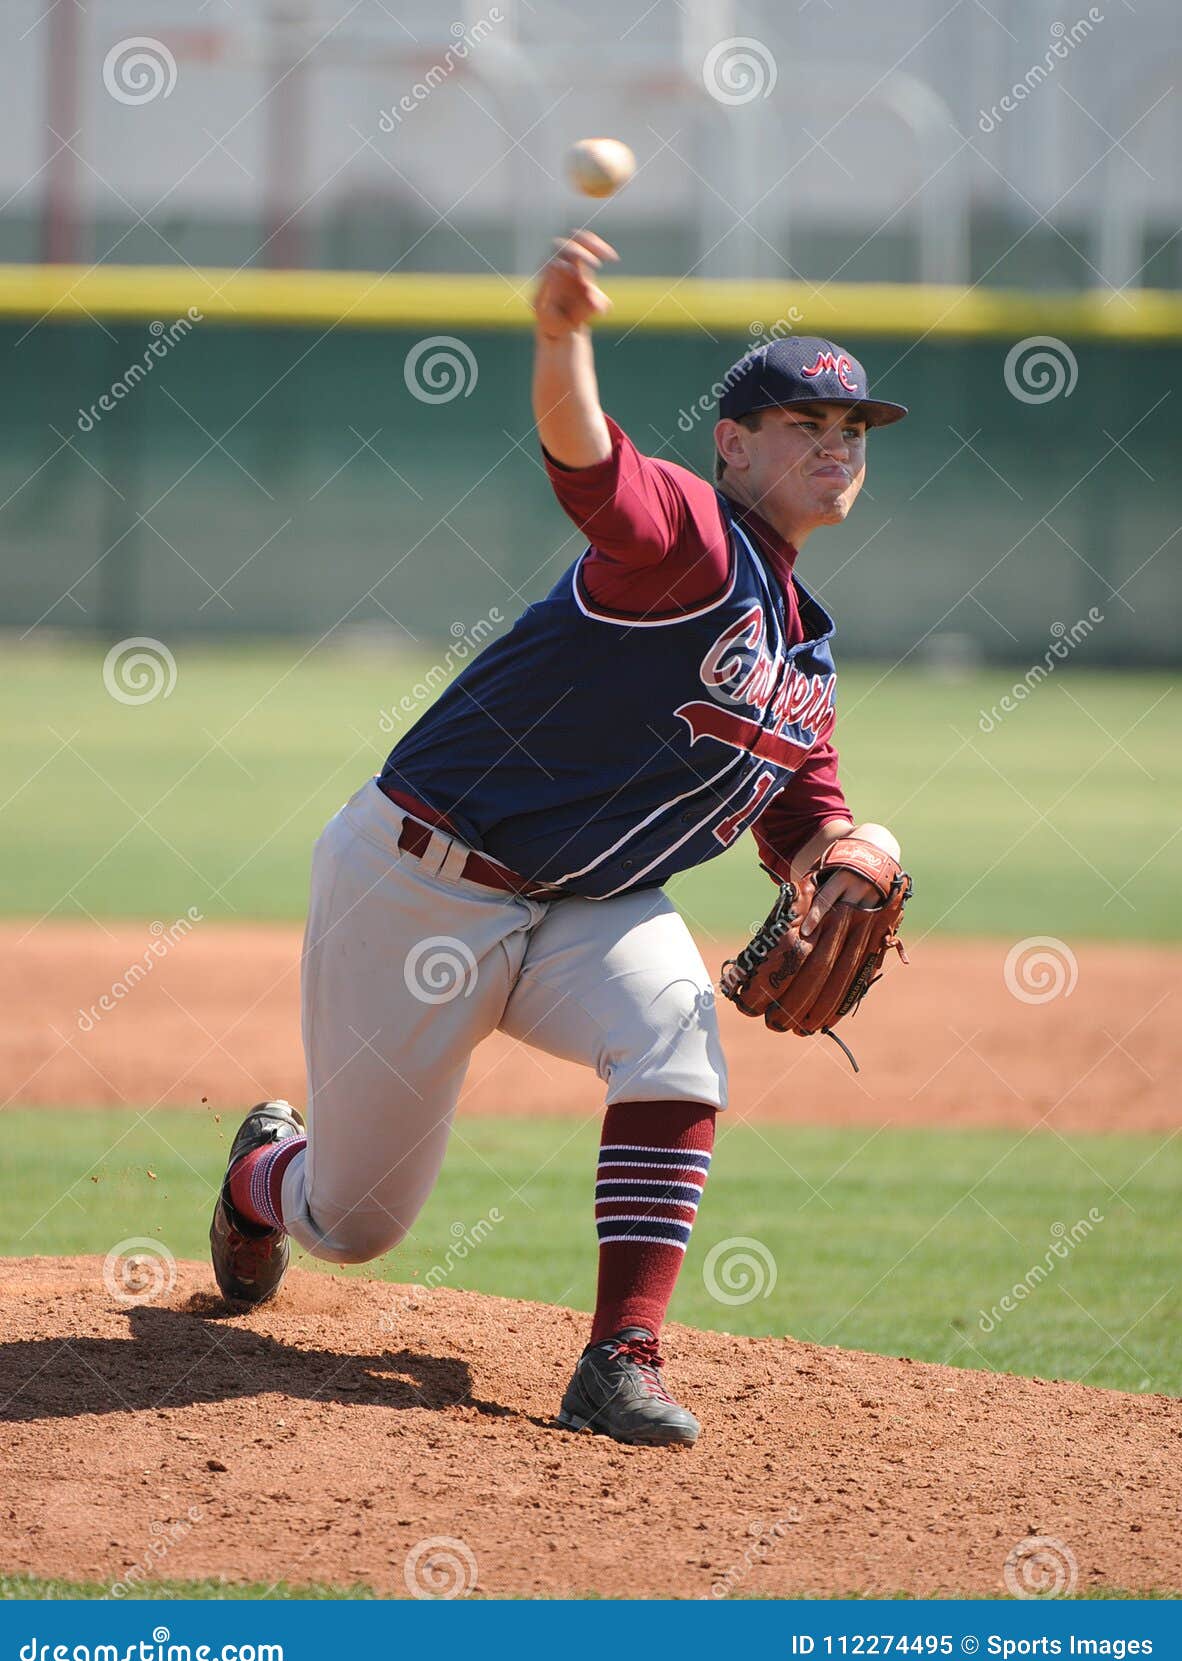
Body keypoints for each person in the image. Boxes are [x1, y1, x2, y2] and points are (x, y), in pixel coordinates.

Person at [210, 230, 908, 1448]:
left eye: (853, 428)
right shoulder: (690, 537)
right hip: (424, 880)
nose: (837, 444)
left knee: (677, 1041)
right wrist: (559, 335)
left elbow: (808, 822)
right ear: (734, 445)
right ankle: (262, 1175)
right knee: (353, 1223)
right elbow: (589, 463)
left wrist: (860, 850)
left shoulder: (806, 653)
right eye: (806, 422)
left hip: (590, 906)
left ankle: (617, 1359)